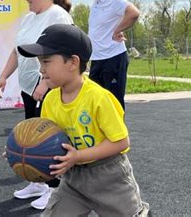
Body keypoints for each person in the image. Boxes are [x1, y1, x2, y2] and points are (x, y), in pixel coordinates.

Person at [18, 24, 149, 216]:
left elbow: (121, 142)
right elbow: (45, 138)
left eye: (46, 62)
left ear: (72, 62)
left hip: (109, 176)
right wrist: (24, 150)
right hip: (74, 180)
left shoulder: (99, 98)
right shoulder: (51, 99)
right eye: (40, 62)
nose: (41, 69)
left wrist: (79, 156)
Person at [0, 0, 73, 210]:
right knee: (33, 139)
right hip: (30, 88)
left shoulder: (58, 16)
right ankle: (38, 182)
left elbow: (64, 54)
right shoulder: (29, 18)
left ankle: (55, 189)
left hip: (47, 88)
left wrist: (46, 82)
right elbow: (18, 51)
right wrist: (3, 76)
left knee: (50, 139)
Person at [87, 0, 141, 110]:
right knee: (96, 101)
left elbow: (134, 13)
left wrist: (118, 30)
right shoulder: (96, 4)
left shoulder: (115, 1)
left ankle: (118, 133)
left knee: (113, 102)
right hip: (97, 59)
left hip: (113, 58)